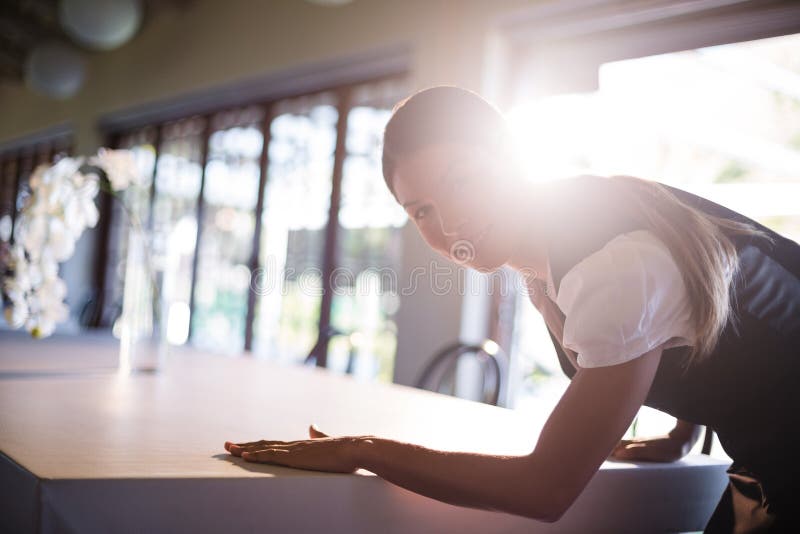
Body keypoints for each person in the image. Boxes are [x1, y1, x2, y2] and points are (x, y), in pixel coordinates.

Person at [225, 86, 800, 531]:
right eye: (421, 209)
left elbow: (545, 490)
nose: (450, 224)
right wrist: (680, 433)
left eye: (463, 181)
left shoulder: (611, 265)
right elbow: (701, 304)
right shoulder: (565, 234)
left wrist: (362, 448)